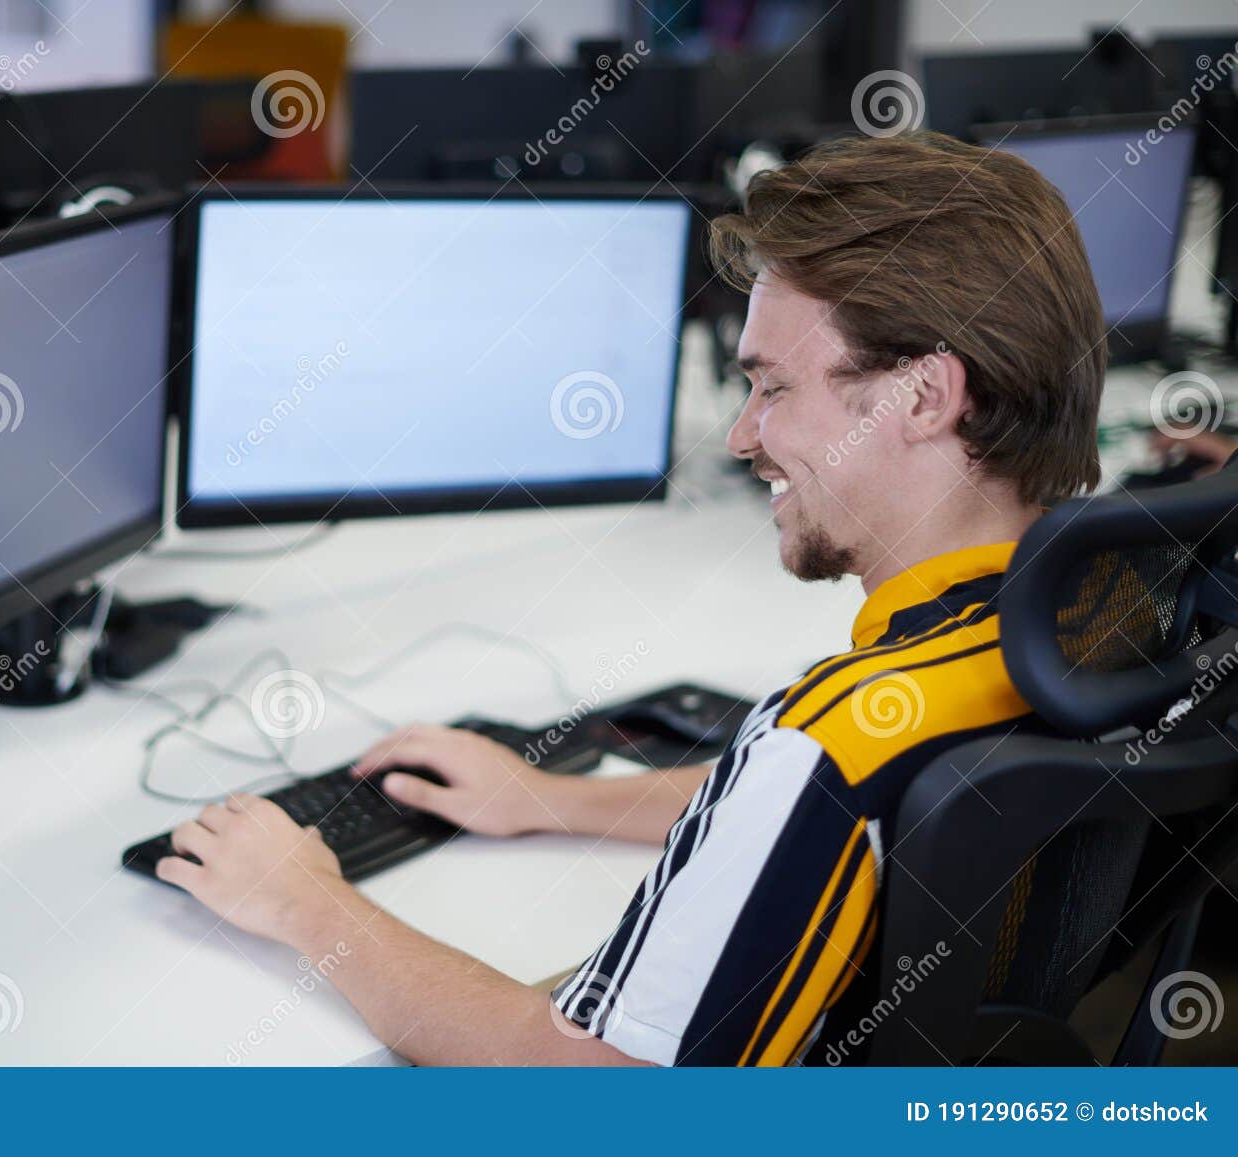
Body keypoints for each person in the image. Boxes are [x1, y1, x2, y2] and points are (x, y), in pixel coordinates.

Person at [154, 131, 1107, 1065]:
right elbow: (824, 808)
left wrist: (306, 899)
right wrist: (553, 798)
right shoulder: (1101, 610)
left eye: (773, 386)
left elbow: (589, 1086)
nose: (741, 436)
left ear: (925, 395)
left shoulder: (830, 736)